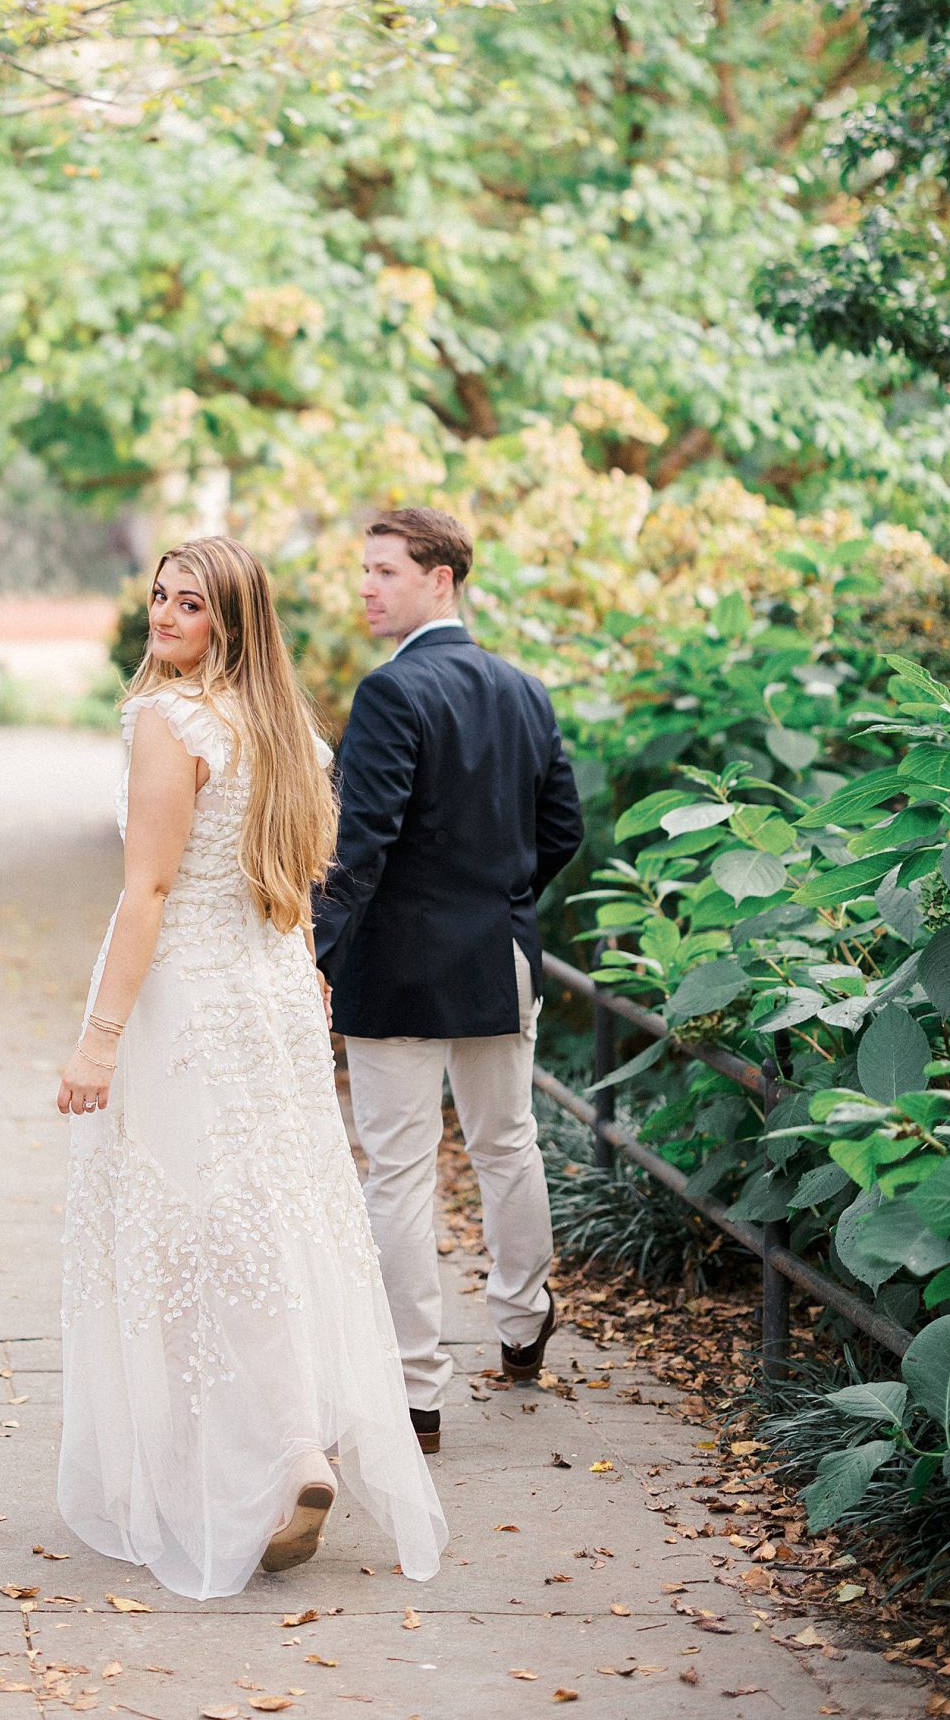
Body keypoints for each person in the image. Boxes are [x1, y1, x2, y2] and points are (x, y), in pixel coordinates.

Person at [55, 535, 446, 1599]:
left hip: (186, 998)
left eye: (191, 602)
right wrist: (301, 976)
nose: (166, 613)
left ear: (231, 620)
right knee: (268, 1213)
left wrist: (98, 1038)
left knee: (187, 1225)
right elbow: (292, 874)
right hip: (269, 992)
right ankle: (283, 1443)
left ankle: (277, 1452)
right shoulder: (285, 731)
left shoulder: (165, 720)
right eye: (159, 594)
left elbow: (148, 893)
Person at [313, 508, 585, 1454]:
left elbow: (360, 845)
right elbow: (563, 831)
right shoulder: (524, 690)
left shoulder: (392, 693)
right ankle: (521, 1324)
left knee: (398, 1171)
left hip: (398, 968)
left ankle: (416, 1388)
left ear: (441, 579)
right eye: (364, 570)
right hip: (500, 956)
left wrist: (313, 950)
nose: (366, 586)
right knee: (507, 1144)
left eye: (384, 570)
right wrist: (499, 905)